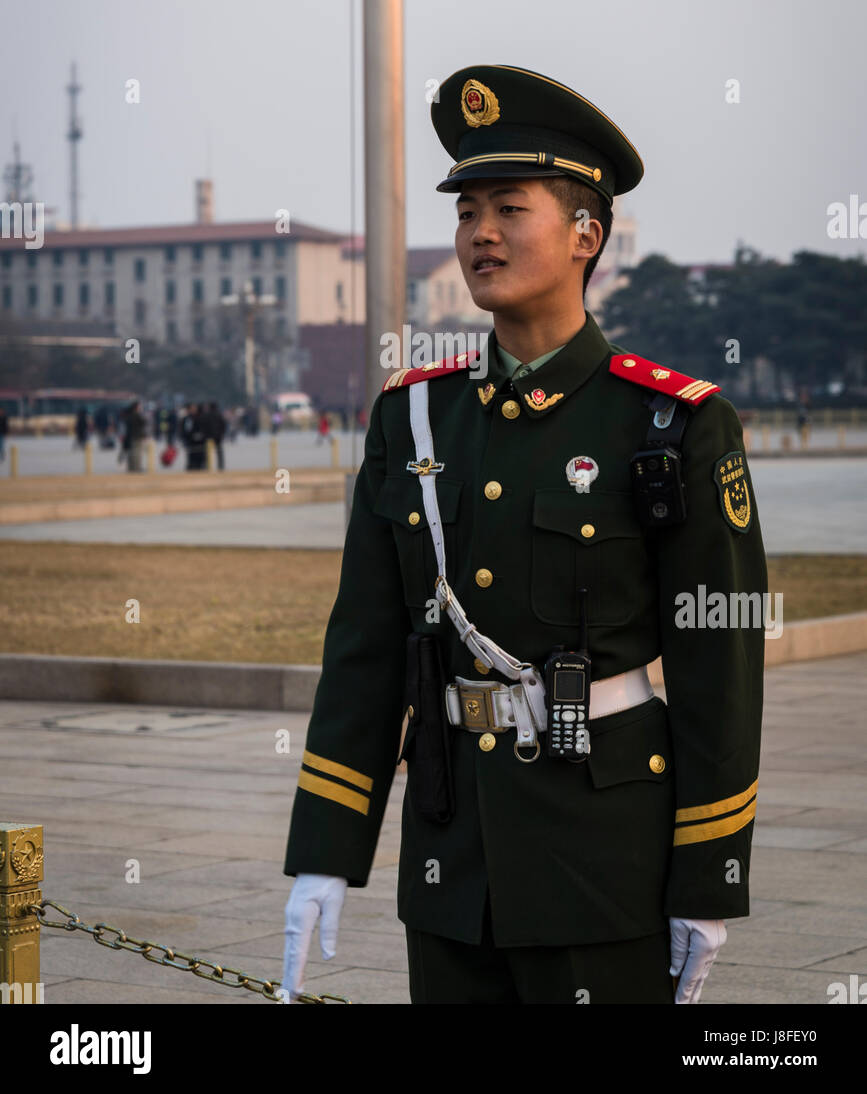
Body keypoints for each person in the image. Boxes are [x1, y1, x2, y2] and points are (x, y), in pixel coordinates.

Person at [282, 64, 766, 1006]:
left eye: (510, 207)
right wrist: (326, 849)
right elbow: (367, 649)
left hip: (601, 858)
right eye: (467, 213)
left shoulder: (670, 423)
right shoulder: (413, 420)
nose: (480, 234)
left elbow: (719, 663)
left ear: (587, 234)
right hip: (451, 855)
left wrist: (708, 879)